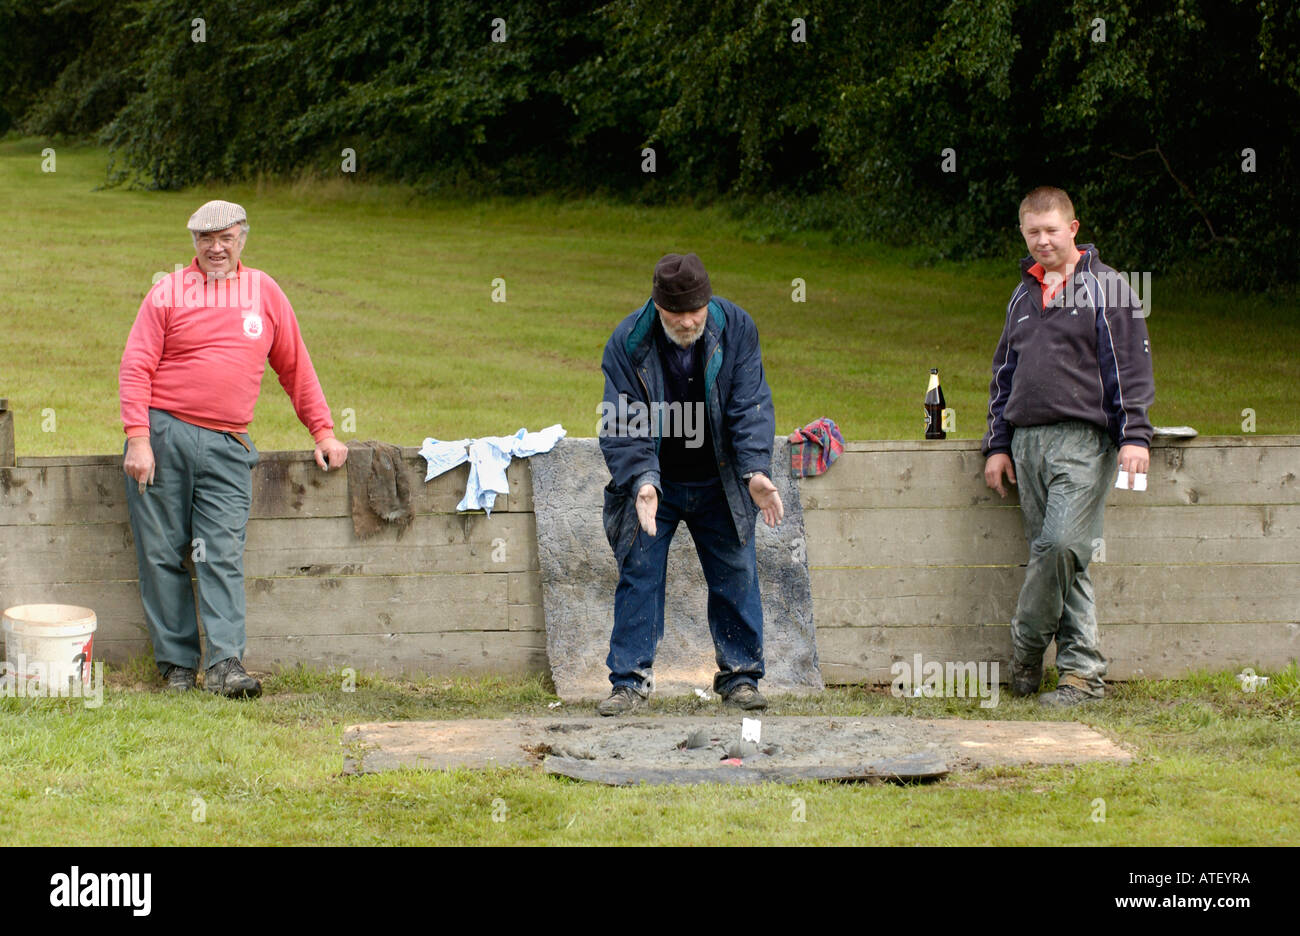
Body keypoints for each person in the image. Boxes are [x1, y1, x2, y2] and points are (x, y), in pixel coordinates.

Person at [119, 200, 349, 697]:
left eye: (226, 237)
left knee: (219, 552)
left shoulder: (264, 292)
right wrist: (138, 438)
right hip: (164, 435)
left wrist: (323, 431)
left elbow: (295, 367)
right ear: (194, 243)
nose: (215, 248)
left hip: (227, 443)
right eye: (205, 239)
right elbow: (136, 365)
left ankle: (225, 665)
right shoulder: (168, 291)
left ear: (243, 238)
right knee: (161, 552)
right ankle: (177, 667)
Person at [981, 186, 1155, 707]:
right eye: (1032, 231)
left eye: (1052, 230)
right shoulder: (1021, 296)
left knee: (1058, 546)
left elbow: (1129, 366)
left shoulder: (1109, 289)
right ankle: (1079, 678)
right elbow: (1002, 376)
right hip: (1027, 444)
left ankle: (1027, 652)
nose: (1042, 241)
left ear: (1074, 229)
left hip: (1084, 442)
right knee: (1066, 561)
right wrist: (998, 445)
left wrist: (1135, 435)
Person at [596, 252, 783, 715]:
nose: (686, 322)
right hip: (655, 482)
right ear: (658, 309)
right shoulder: (628, 342)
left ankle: (741, 678)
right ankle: (628, 682)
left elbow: (749, 403)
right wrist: (641, 480)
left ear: (708, 300)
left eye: (694, 311)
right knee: (639, 574)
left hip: (720, 478)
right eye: (676, 314)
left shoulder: (736, 328)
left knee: (736, 574)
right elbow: (622, 422)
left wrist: (756, 471)